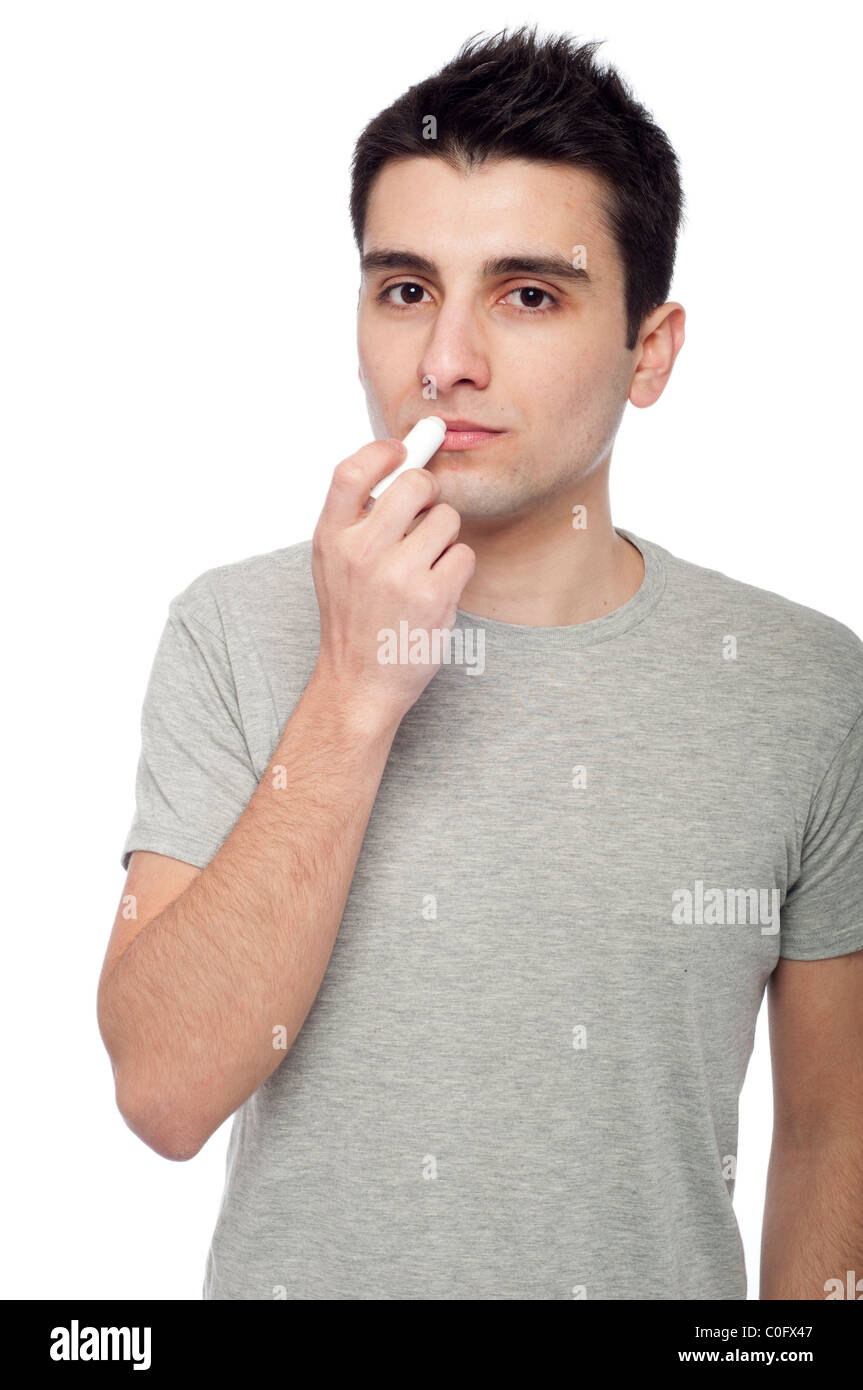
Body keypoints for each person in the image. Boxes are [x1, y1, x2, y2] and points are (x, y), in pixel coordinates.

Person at [97, 26, 863, 1300]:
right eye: (404, 289)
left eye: (527, 293)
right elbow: (164, 1094)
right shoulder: (231, 632)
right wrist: (353, 689)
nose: (443, 361)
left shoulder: (803, 688)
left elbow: (831, 1139)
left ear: (649, 349)